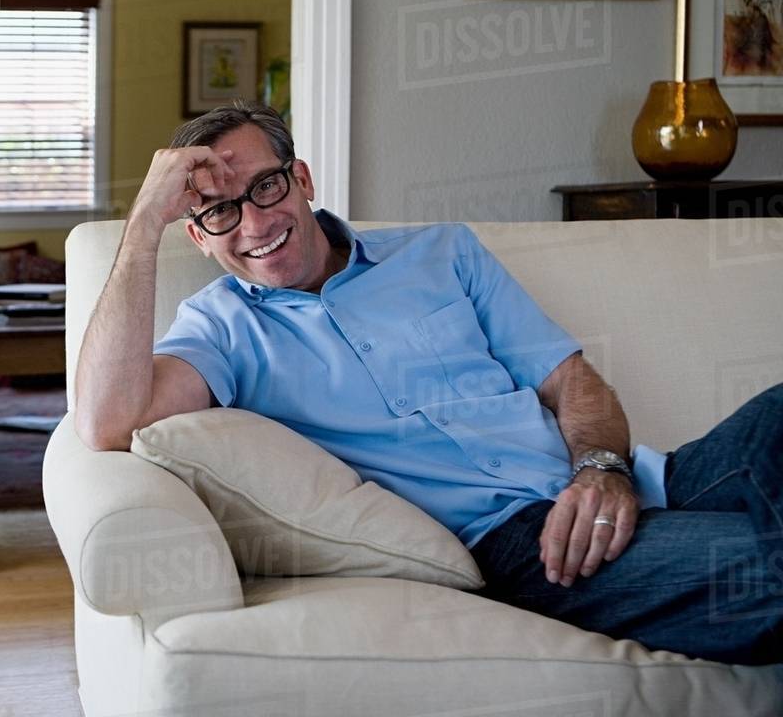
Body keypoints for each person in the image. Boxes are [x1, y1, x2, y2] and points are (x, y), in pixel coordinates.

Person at [73, 101, 783, 666]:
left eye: (266, 186)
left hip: (645, 483)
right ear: (196, 235)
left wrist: (602, 469)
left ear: (304, 180)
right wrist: (142, 225)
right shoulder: (221, 330)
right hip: (526, 547)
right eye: (220, 211)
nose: (256, 222)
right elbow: (106, 422)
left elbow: (572, 382)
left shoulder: (443, 251)